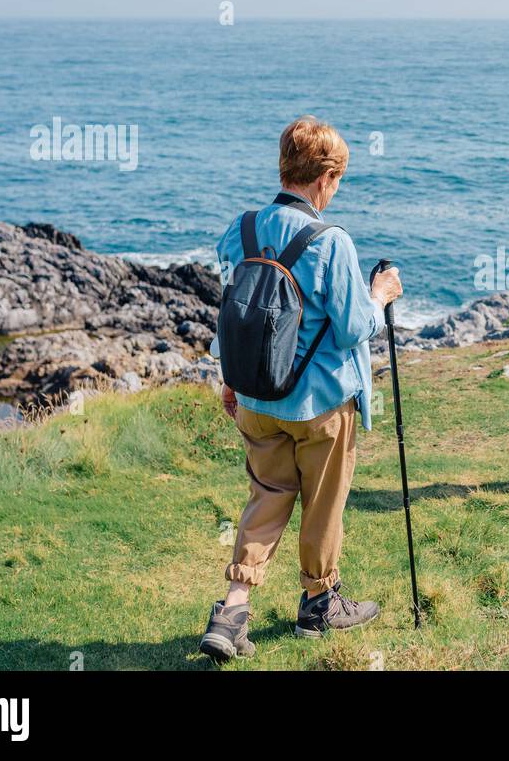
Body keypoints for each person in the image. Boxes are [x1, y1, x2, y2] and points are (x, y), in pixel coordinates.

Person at [199, 116, 403, 663]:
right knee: (322, 504)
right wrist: (380, 293)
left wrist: (229, 379)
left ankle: (233, 610)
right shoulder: (330, 241)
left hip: (255, 398)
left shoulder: (239, 231)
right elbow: (355, 326)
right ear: (325, 177)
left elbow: (234, 314)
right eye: (338, 181)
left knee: (266, 497)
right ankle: (318, 605)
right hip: (320, 405)